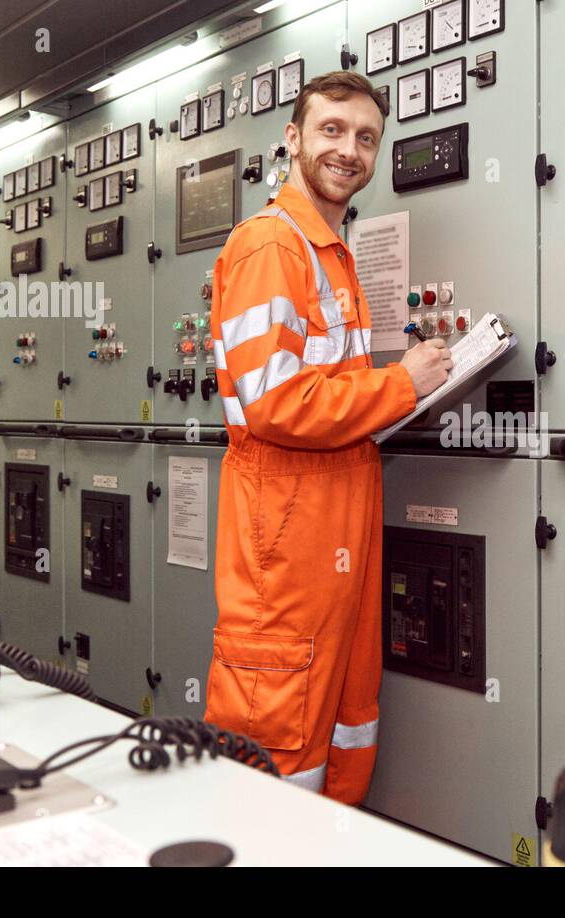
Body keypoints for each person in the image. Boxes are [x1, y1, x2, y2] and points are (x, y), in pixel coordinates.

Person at [203, 70, 452, 803]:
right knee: (272, 758)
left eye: (366, 137)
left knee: (340, 739)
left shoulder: (331, 254)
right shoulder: (270, 248)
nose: (349, 150)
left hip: (338, 537)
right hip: (284, 552)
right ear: (293, 140)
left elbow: (327, 395)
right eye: (332, 131)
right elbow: (277, 402)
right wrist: (402, 383)